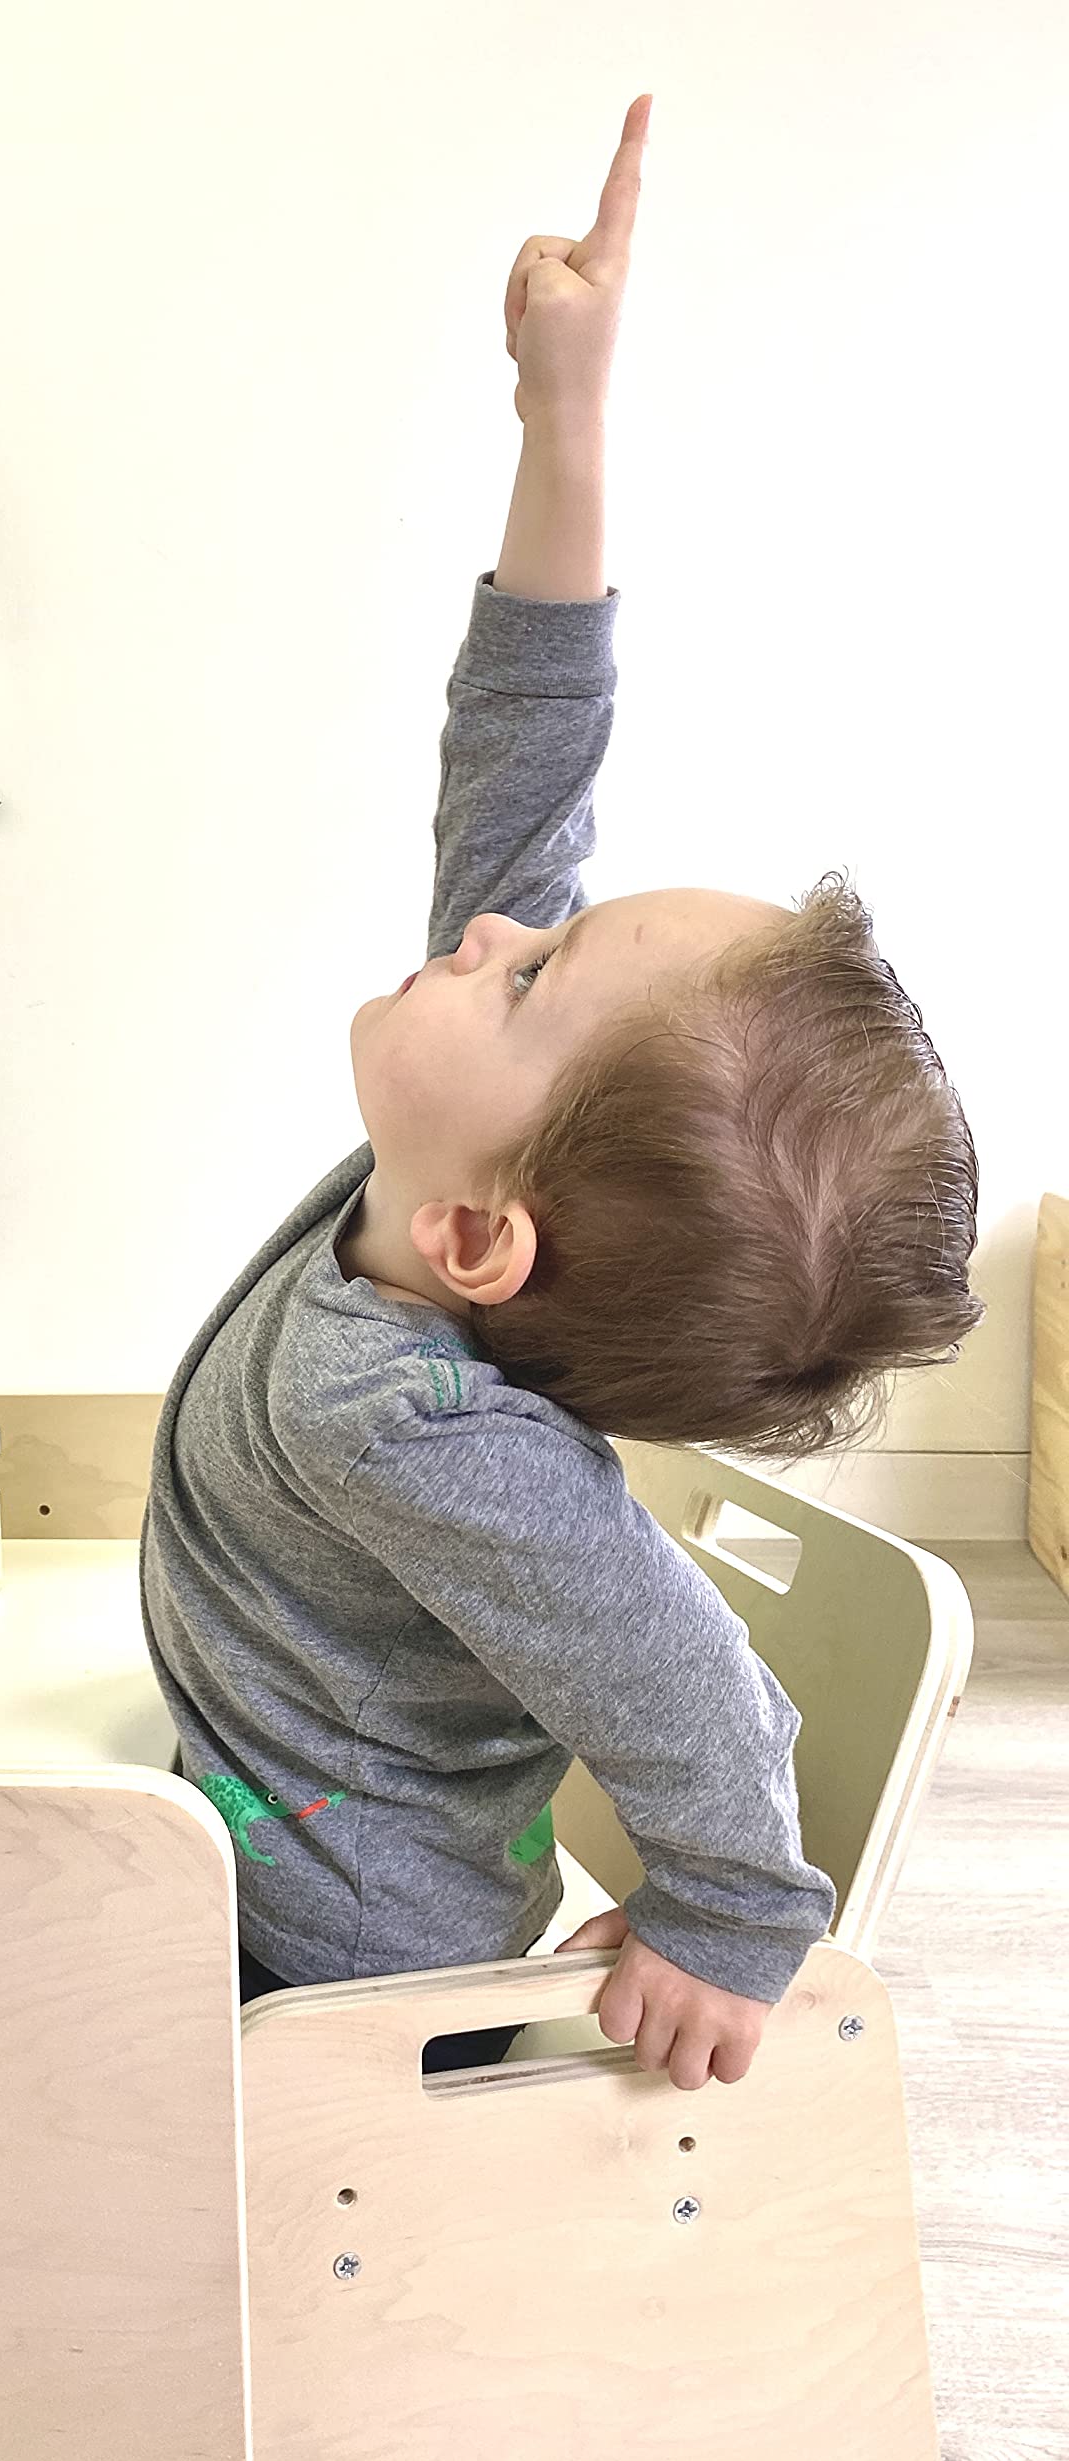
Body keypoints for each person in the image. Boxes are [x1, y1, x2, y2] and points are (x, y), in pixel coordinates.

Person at [140, 94, 981, 2093]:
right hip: (269, 1788)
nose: (495, 929)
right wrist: (564, 416)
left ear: (482, 1238)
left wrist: (728, 1911)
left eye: (524, 974)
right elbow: (527, 746)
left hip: (327, 1967)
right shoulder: (479, 1178)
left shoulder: (415, 1412)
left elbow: (691, 1681)